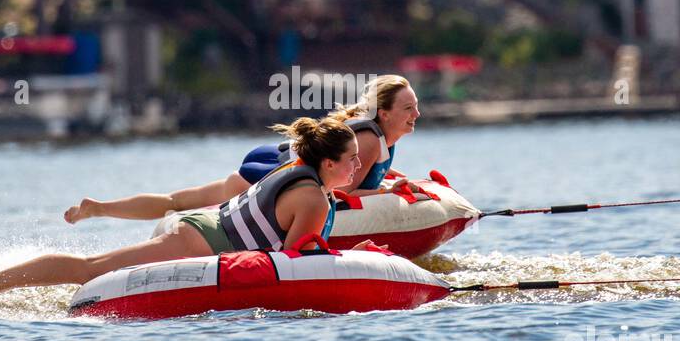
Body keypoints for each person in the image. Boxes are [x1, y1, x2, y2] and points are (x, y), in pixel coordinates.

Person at [0, 117, 374, 315]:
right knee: (90, 269)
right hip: (199, 240)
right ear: (328, 162)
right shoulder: (314, 199)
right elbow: (294, 258)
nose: (358, 169)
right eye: (352, 160)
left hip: (204, 231)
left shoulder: (301, 177)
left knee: (93, 267)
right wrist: (358, 254)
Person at [64, 74, 426, 226]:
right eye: (408, 109)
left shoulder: (381, 139)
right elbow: (343, 186)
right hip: (274, 170)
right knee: (181, 204)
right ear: (384, 113)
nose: (416, 115)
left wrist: (393, 180)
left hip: (276, 158)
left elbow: (357, 174)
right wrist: (388, 190)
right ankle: (100, 209)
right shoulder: (368, 139)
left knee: (179, 200)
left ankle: (100, 208)